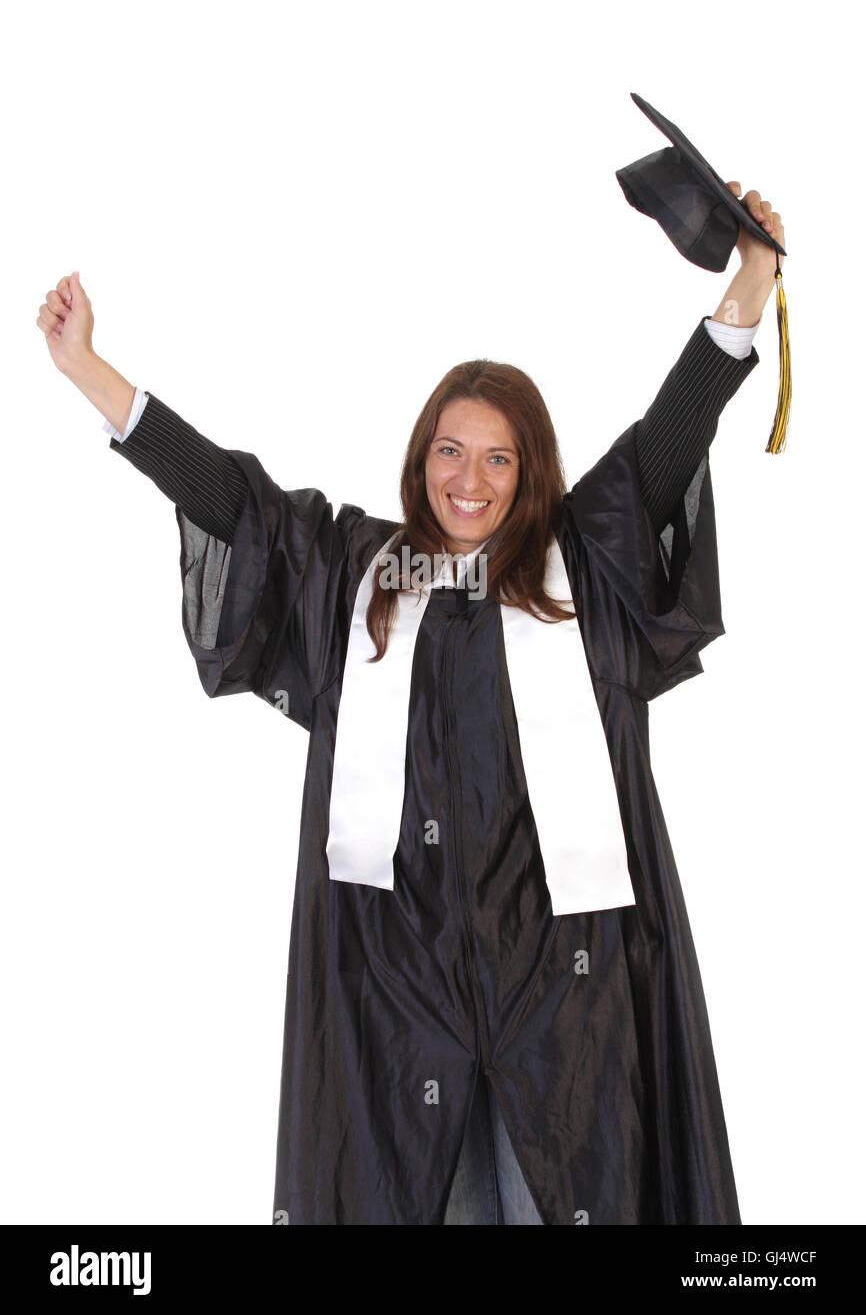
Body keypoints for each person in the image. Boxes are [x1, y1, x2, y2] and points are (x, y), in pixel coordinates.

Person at [35, 183, 784, 1225]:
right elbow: (229, 502)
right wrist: (91, 376)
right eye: (447, 449)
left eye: (494, 457)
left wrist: (748, 279)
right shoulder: (357, 582)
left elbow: (671, 435)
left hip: (568, 995)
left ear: (529, 473)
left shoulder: (583, 567)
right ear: (419, 456)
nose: (466, 480)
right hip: (399, 994)